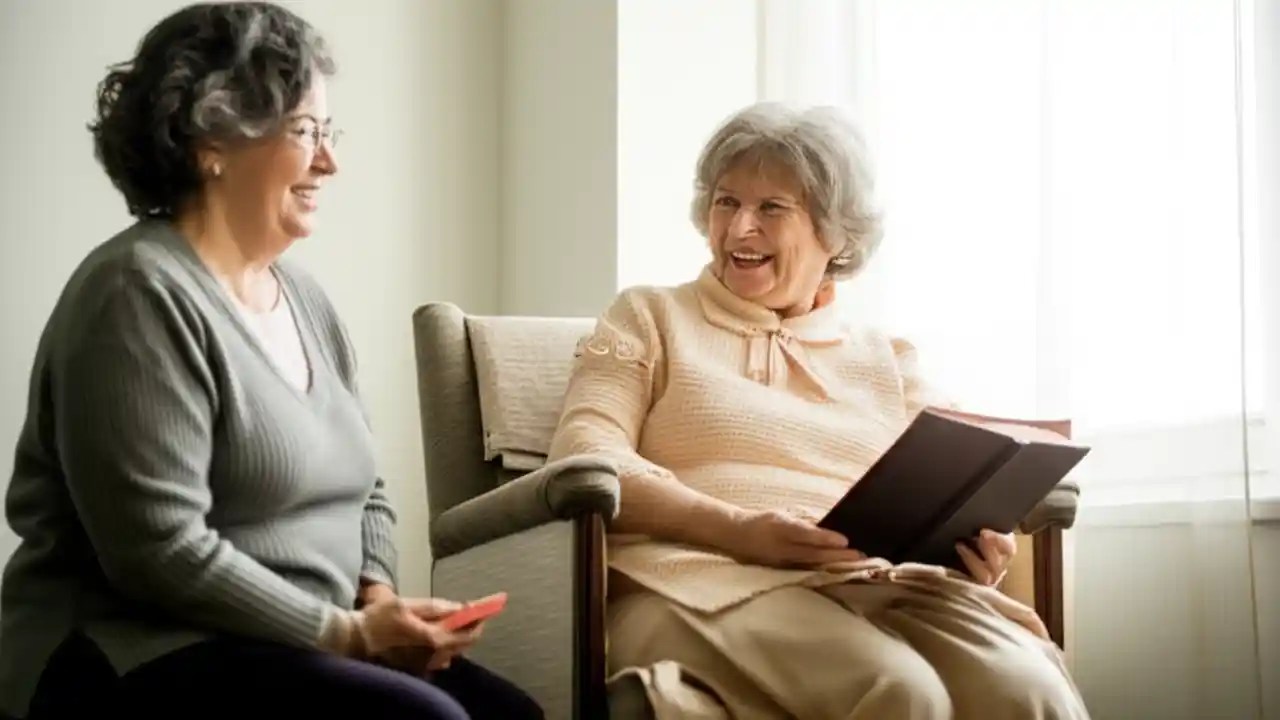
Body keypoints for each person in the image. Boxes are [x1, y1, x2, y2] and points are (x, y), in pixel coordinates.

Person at [0, 3, 541, 719]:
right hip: (135, 651)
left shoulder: (305, 297)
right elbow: (159, 554)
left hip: (295, 641)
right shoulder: (134, 294)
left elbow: (367, 487)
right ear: (210, 143)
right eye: (305, 131)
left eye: (329, 132)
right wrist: (347, 634)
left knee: (514, 714)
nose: (330, 159)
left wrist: (377, 599)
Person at [547, 102, 1091, 720]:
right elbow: (586, 454)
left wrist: (982, 544)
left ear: (836, 236)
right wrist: (737, 528)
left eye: (771, 209)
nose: (739, 228)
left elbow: (962, 468)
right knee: (899, 690)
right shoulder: (648, 316)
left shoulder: (888, 357)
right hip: (699, 581)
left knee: (1031, 692)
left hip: (886, 588)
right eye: (726, 202)